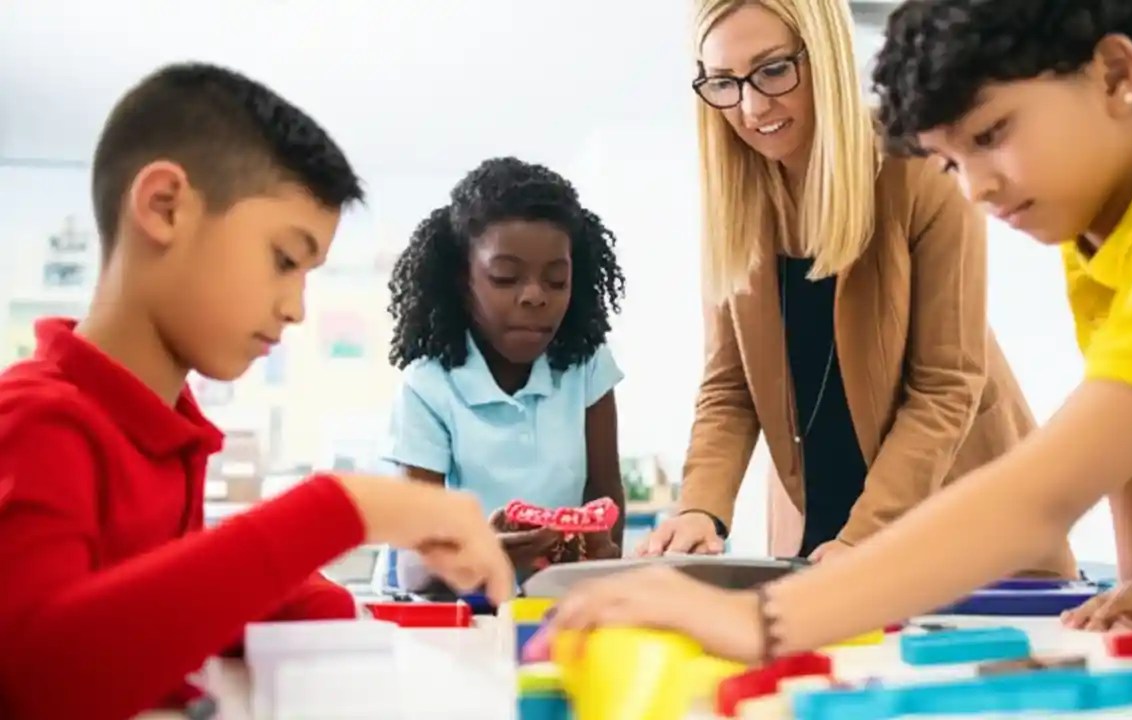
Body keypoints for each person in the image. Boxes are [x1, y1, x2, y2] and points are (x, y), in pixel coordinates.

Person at [543, 0, 1132, 660]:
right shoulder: (1105, 244)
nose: (975, 188)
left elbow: (1039, 498)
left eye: (992, 135)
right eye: (953, 160)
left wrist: (768, 620)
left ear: (1116, 73)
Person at [0, 63, 512, 720]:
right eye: (283, 259)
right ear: (165, 206)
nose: (296, 307)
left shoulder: (156, 434)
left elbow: (159, 604)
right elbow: (43, 677)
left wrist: (318, 601)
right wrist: (341, 508)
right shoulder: (37, 420)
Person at [639, 0, 1075, 577]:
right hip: (818, 536)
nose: (750, 106)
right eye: (723, 82)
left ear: (824, 56)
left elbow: (947, 384)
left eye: (773, 70)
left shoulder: (920, 167)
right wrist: (701, 508)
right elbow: (731, 386)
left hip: (955, 518)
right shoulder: (735, 199)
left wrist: (863, 536)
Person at [383, 157, 627, 587]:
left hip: (554, 608)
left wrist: (598, 554)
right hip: (458, 615)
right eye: (505, 277)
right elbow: (412, 567)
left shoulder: (585, 366)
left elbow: (606, 501)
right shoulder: (428, 386)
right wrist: (477, 553)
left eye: (556, 281)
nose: (535, 296)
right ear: (463, 279)